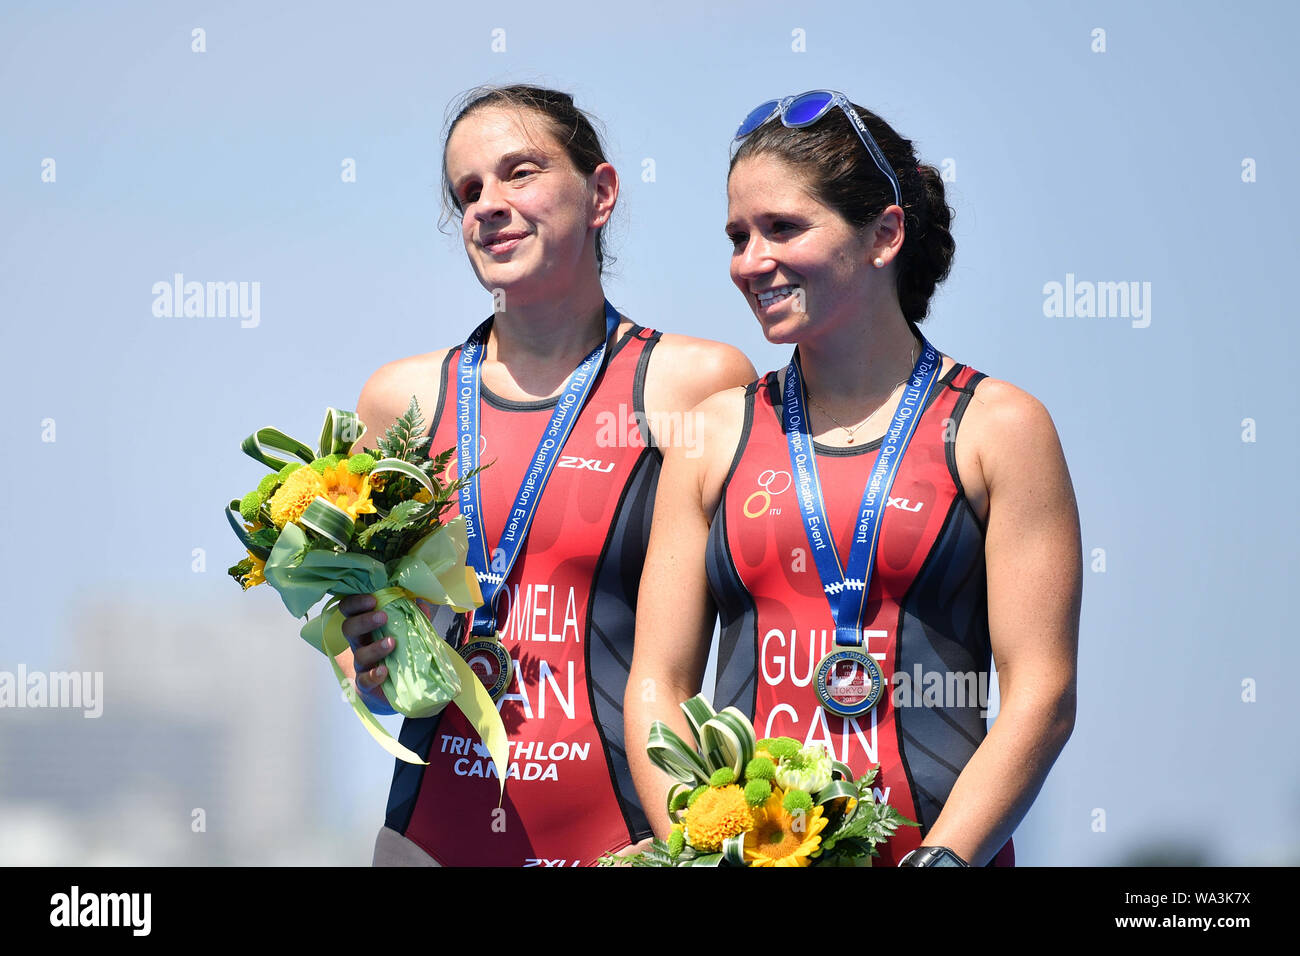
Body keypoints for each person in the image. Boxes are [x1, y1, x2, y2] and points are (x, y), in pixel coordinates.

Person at [625, 91, 1081, 867]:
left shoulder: (1000, 428)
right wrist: (697, 853)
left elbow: (1041, 694)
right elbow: (656, 688)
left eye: (783, 228)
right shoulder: (709, 435)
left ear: (885, 234)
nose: (750, 261)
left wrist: (943, 860)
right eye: (739, 235)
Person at [333, 84, 755, 867]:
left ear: (601, 193)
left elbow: (755, 624)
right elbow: (378, 677)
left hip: (626, 839)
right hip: (429, 838)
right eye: (468, 190)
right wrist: (365, 662)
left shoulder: (691, 384)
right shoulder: (402, 399)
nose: (489, 204)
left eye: (519, 173)